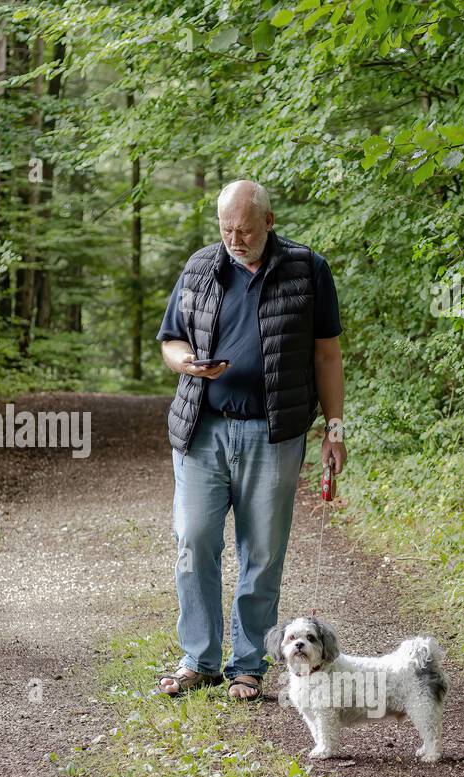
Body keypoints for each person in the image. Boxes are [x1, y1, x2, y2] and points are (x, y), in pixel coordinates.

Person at [156, 180, 346, 700]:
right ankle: (199, 659)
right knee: (193, 541)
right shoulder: (200, 268)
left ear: (268, 221)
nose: (234, 239)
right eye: (225, 230)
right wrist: (187, 363)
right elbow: (170, 341)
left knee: (261, 552)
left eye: (243, 229)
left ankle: (247, 663)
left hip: (274, 433)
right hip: (203, 429)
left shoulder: (308, 270)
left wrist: (334, 430)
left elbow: (327, 356)